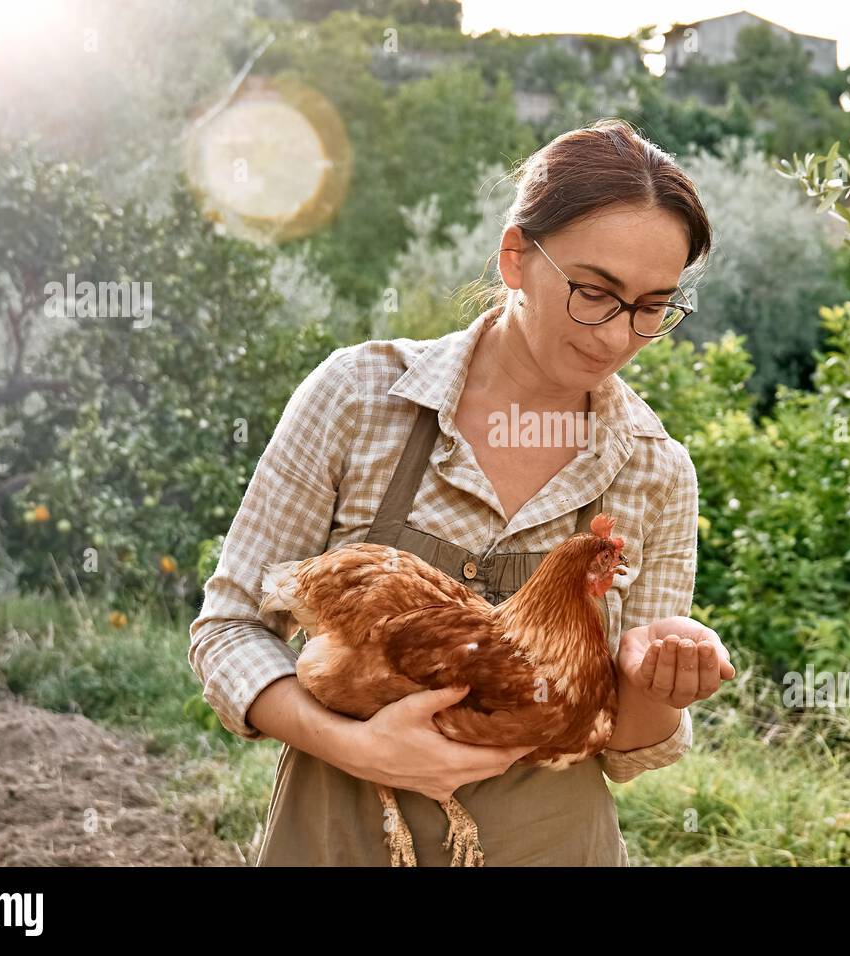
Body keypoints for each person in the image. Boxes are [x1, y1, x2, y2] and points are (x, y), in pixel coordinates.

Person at [188, 117, 735, 866]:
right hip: (339, 835)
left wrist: (657, 681)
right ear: (516, 258)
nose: (616, 336)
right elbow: (230, 631)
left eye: (651, 307)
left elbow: (627, 751)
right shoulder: (360, 397)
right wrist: (356, 745)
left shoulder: (654, 470)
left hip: (548, 843)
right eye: (594, 292)